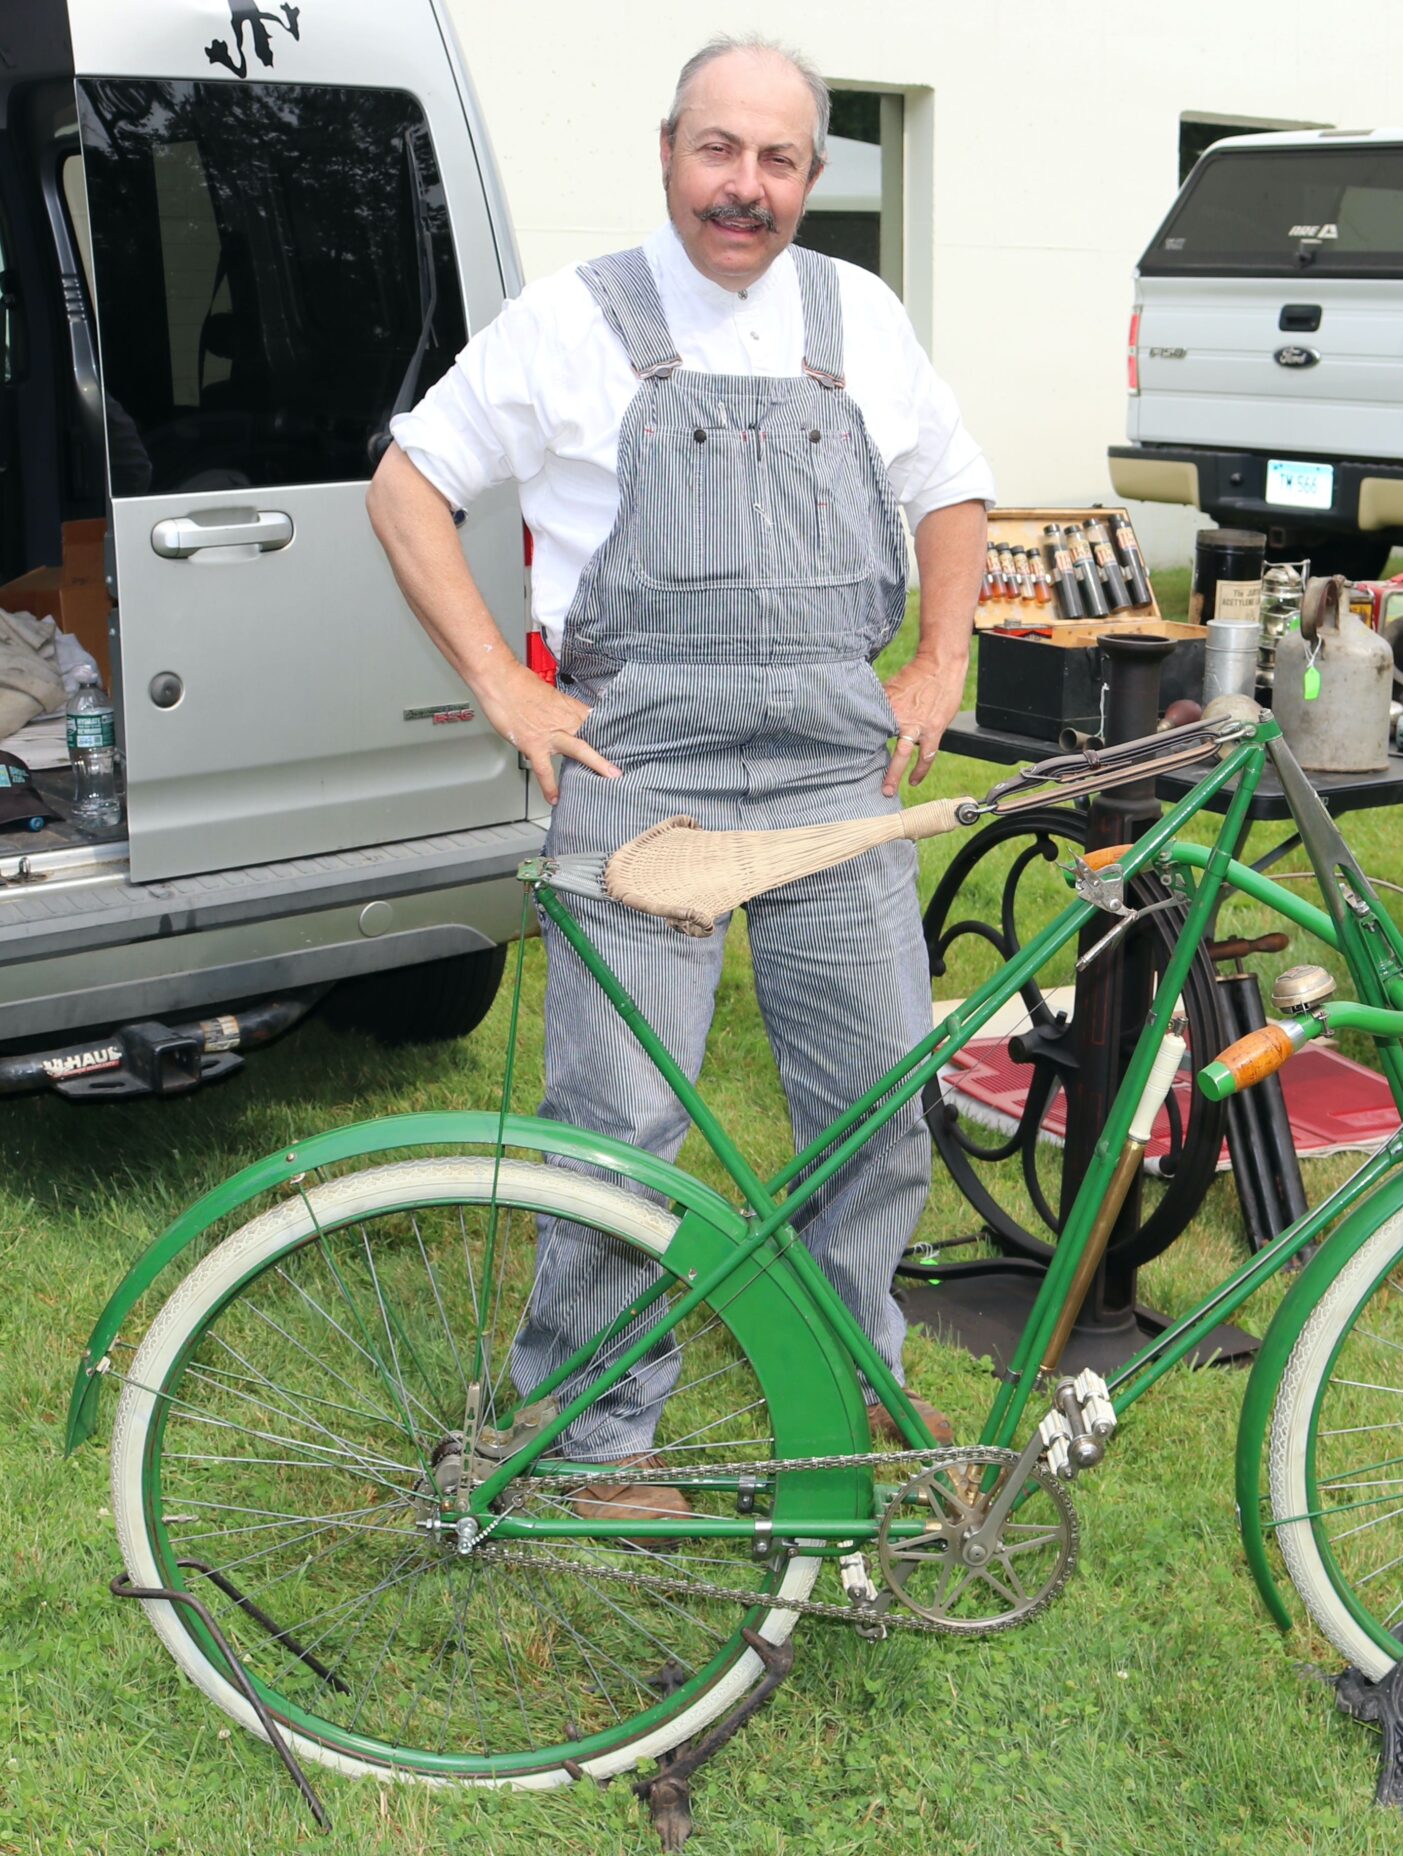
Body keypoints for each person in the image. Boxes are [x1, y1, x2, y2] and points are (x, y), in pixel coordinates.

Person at [368, 35, 992, 1523]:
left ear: (813, 176)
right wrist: (501, 682)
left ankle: (842, 1410)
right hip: (644, 774)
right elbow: (408, 485)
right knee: (622, 1129)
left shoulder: (860, 314)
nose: (747, 187)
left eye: (779, 161)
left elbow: (951, 484)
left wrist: (943, 657)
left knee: (875, 1112)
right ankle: (596, 1447)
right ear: (669, 152)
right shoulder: (575, 321)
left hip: (839, 775)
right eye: (721, 151)